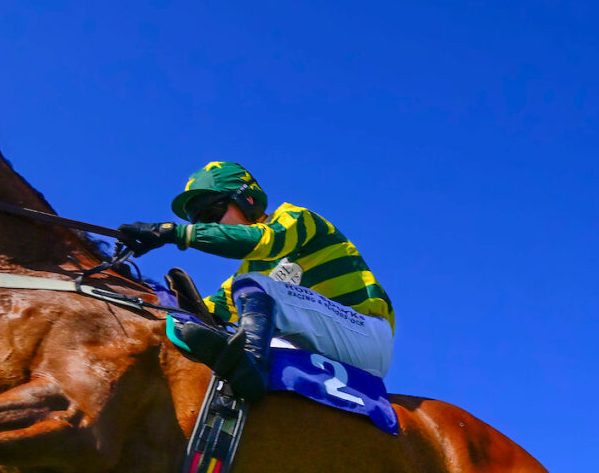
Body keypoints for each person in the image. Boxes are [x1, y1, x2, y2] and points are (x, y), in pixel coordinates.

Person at [117, 162, 396, 399]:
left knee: (252, 290)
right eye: (197, 219)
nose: (205, 226)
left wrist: (175, 233)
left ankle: (251, 372)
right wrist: (134, 293)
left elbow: (262, 241)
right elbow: (202, 311)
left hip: (365, 337)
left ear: (246, 199)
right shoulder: (246, 276)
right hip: (318, 349)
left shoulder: (296, 220)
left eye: (210, 214)